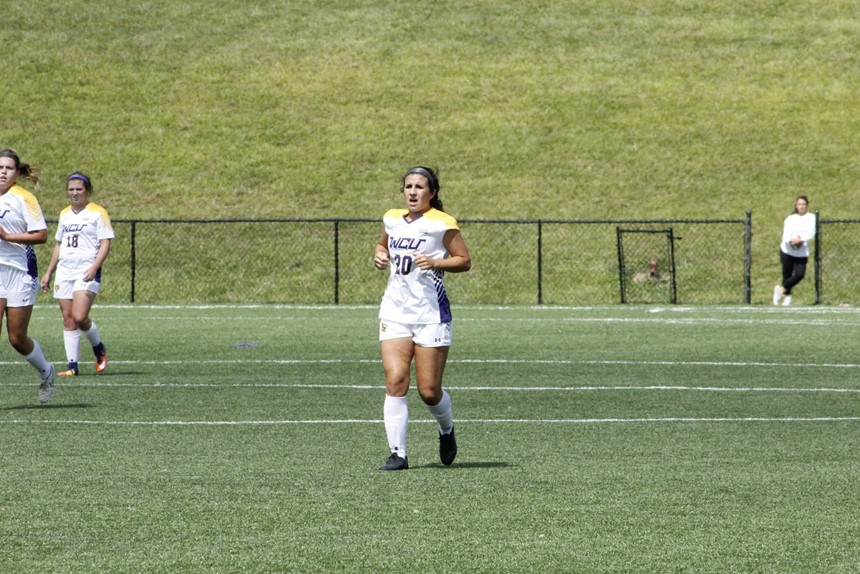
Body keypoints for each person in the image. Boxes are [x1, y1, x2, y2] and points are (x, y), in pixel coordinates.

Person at [373, 166, 472, 471]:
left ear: (432, 193)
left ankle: (446, 429)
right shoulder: (391, 218)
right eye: (408, 186)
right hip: (395, 312)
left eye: (419, 187)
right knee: (396, 380)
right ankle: (398, 454)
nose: (413, 192)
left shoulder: (442, 223)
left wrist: (435, 262)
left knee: (428, 391)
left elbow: (464, 260)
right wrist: (378, 253)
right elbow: (382, 244)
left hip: (431, 314)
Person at [40, 172, 113, 376]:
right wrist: (48, 272)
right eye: (71, 189)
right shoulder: (64, 214)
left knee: (80, 317)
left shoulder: (98, 212)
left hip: (86, 270)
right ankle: (72, 366)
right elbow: (59, 244)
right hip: (65, 271)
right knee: (68, 319)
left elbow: (106, 242)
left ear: (87, 190)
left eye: (79, 189)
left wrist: (94, 267)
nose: (75, 193)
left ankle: (98, 348)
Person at [0, 148, 55, 403]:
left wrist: (8, 237)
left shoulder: (24, 198)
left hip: (21, 272)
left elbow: (41, 235)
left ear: (16, 173)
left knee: (17, 338)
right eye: (0, 167)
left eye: (8, 168)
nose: (3, 171)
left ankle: (46, 371)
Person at [774, 195, 816, 306]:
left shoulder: (811, 217)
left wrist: (801, 240)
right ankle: (787, 297)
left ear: (807, 206)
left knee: (799, 275)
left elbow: (811, 232)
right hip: (787, 251)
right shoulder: (790, 219)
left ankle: (780, 290)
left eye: (804, 204)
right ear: (796, 206)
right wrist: (792, 241)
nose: (801, 206)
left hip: (801, 252)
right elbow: (785, 235)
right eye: (799, 204)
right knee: (786, 274)